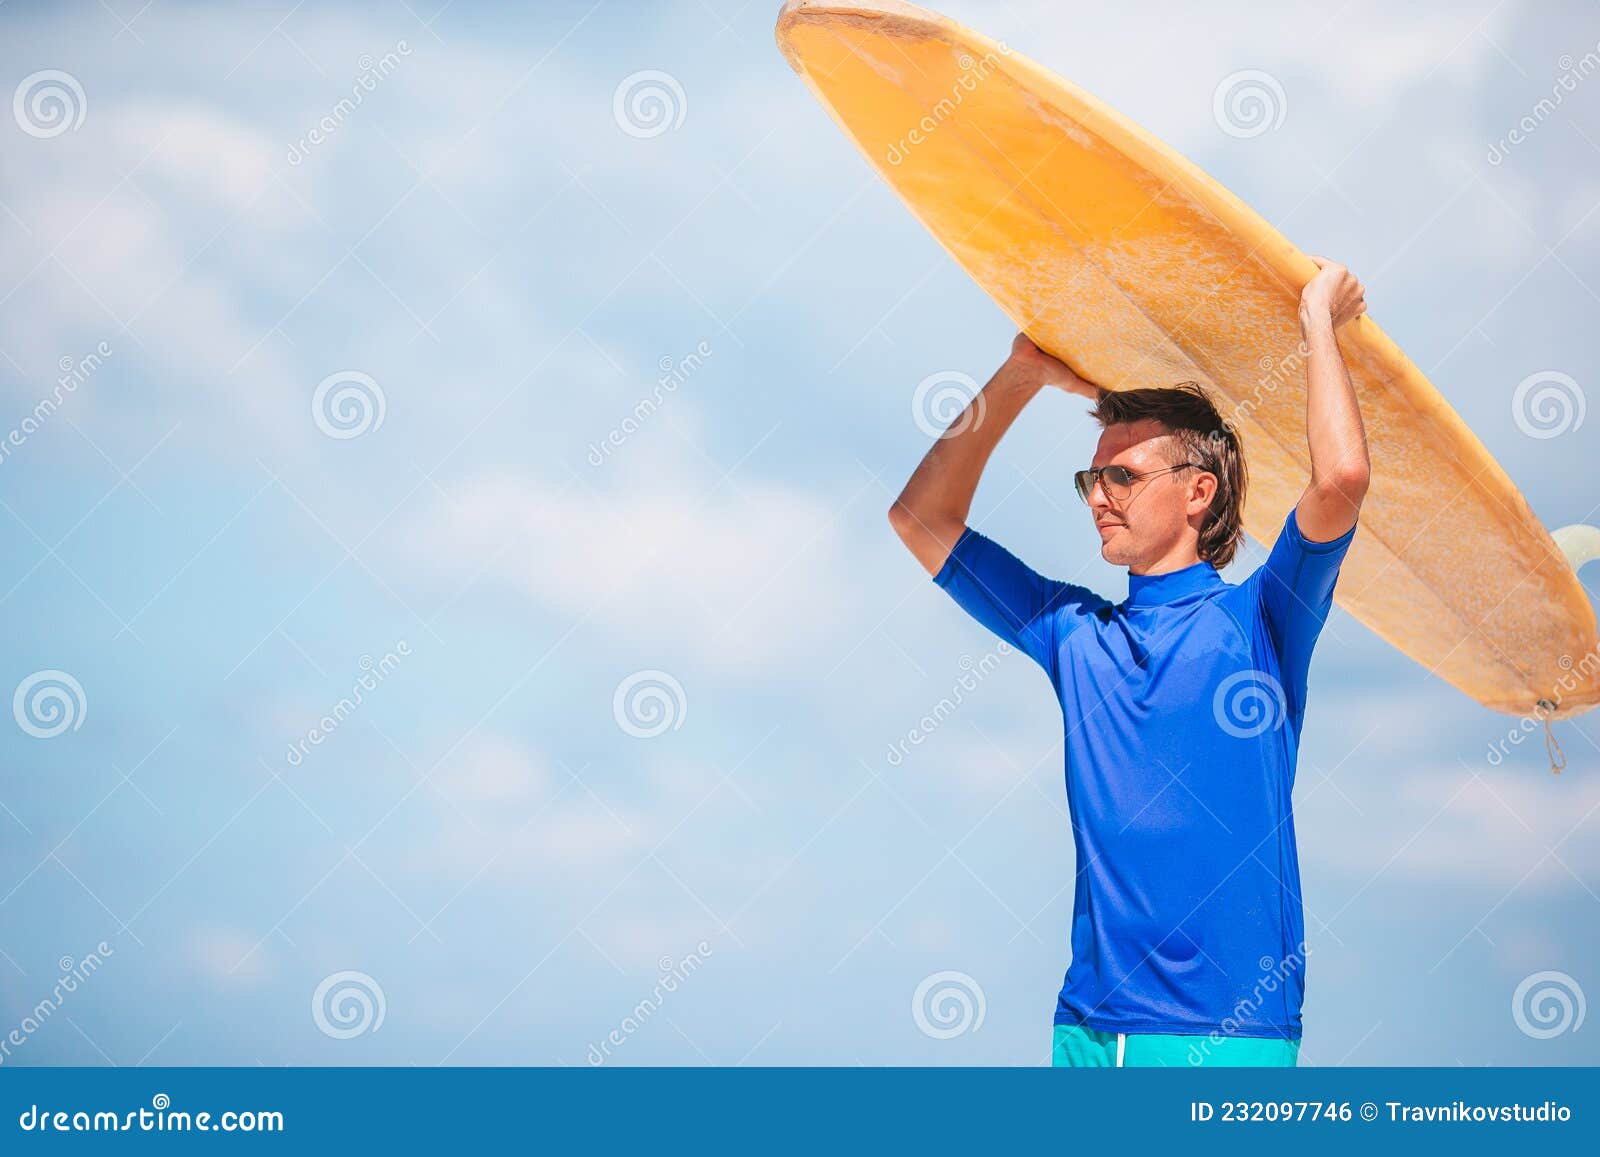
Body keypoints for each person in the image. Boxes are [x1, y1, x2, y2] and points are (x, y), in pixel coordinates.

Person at [888, 258, 1371, 1067]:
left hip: (1229, 1041)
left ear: (1199, 491)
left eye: (1123, 474)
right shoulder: (1073, 633)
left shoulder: (1262, 618)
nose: (1098, 494)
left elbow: (1343, 478)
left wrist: (1317, 318)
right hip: (1085, 1030)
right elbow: (919, 517)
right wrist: (1021, 374)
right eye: (1091, 477)